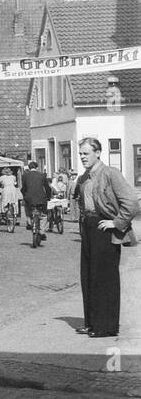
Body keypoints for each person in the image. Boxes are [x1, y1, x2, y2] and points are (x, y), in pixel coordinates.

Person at [72, 136, 140, 338]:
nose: (83, 157)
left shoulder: (110, 174)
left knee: (104, 278)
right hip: (89, 228)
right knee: (88, 276)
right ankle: (91, 323)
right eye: (81, 154)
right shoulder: (84, 177)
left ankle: (106, 327)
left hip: (105, 230)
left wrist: (117, 223)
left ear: (98, 153)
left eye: (86, 153)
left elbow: (131, 202)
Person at [21, 159, 51, 243]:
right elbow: (47, 188)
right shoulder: (42, 175)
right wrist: (48, 197)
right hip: (41, 198)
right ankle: (42, 231)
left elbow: (23, 188)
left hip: (29, 199)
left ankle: (30, 223)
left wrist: (24, 196)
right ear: (37, 168)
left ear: (29, 168)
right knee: (44, 215)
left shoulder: (25, 175)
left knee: (27, 211)